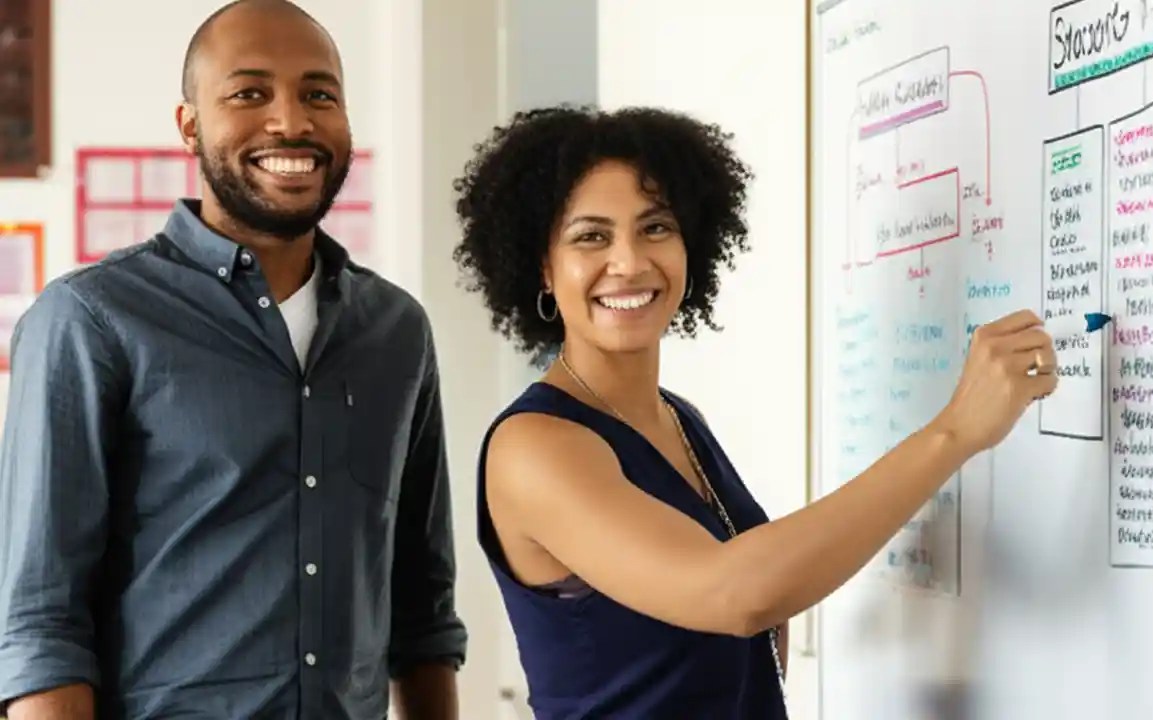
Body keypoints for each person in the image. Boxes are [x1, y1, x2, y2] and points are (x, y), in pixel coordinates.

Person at [451, 105, 1059, 719]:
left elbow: (757, 628)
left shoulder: (680, 420)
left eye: (656, 227)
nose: (630, 262)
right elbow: (736, 593)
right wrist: (953, 432)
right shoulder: (533, 448)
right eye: (591, 236)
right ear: (543, 269)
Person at [0, 1, 465, 718]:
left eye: (319, 94)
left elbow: (422, 610)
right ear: (189, 126)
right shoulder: (91, 320)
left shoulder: (396, 331)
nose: (290, 122)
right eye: (250, 93)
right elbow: (40, 623)